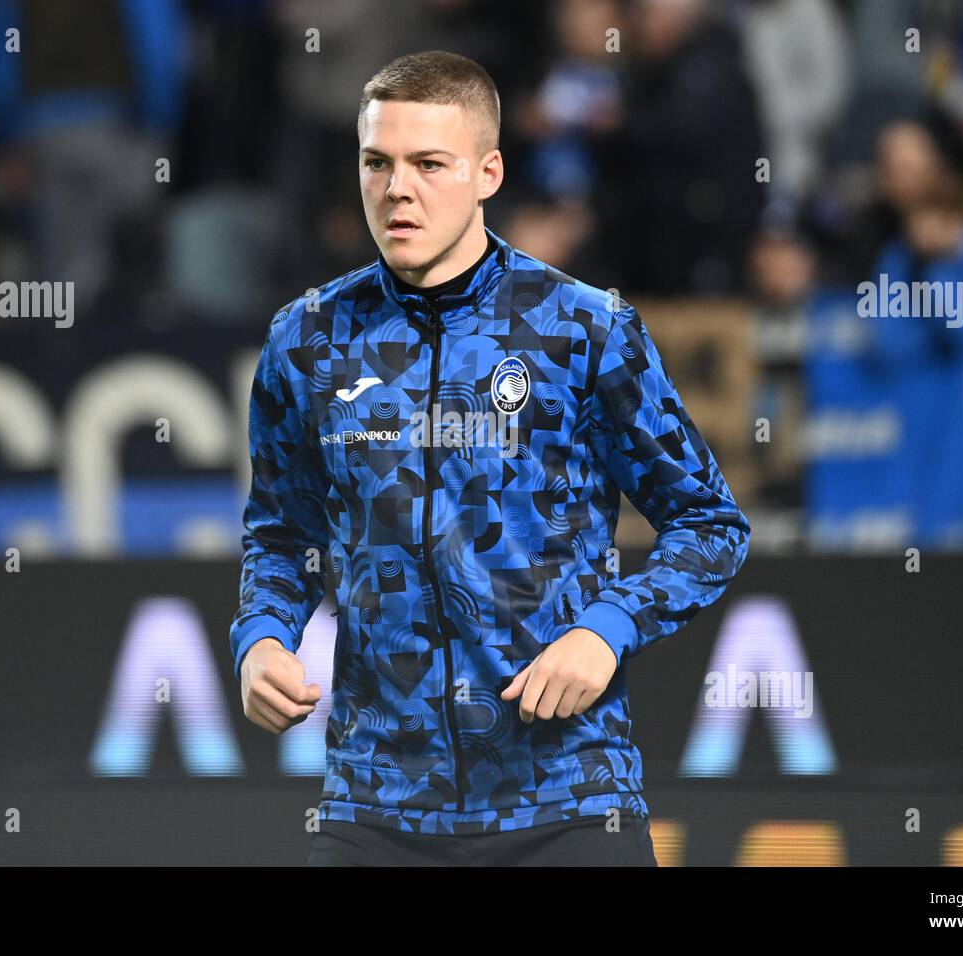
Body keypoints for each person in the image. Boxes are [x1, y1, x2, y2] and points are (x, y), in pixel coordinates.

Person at [230, 50, 750, 867]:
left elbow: (710, 524)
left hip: (570, 798)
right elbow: (281, 535)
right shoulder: (307, 340)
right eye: (377, 163)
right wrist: (263, 638)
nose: (397, 189)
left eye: (429, 164)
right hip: (375, 806)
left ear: (488, 172)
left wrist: (607, 629)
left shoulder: (584, 330)